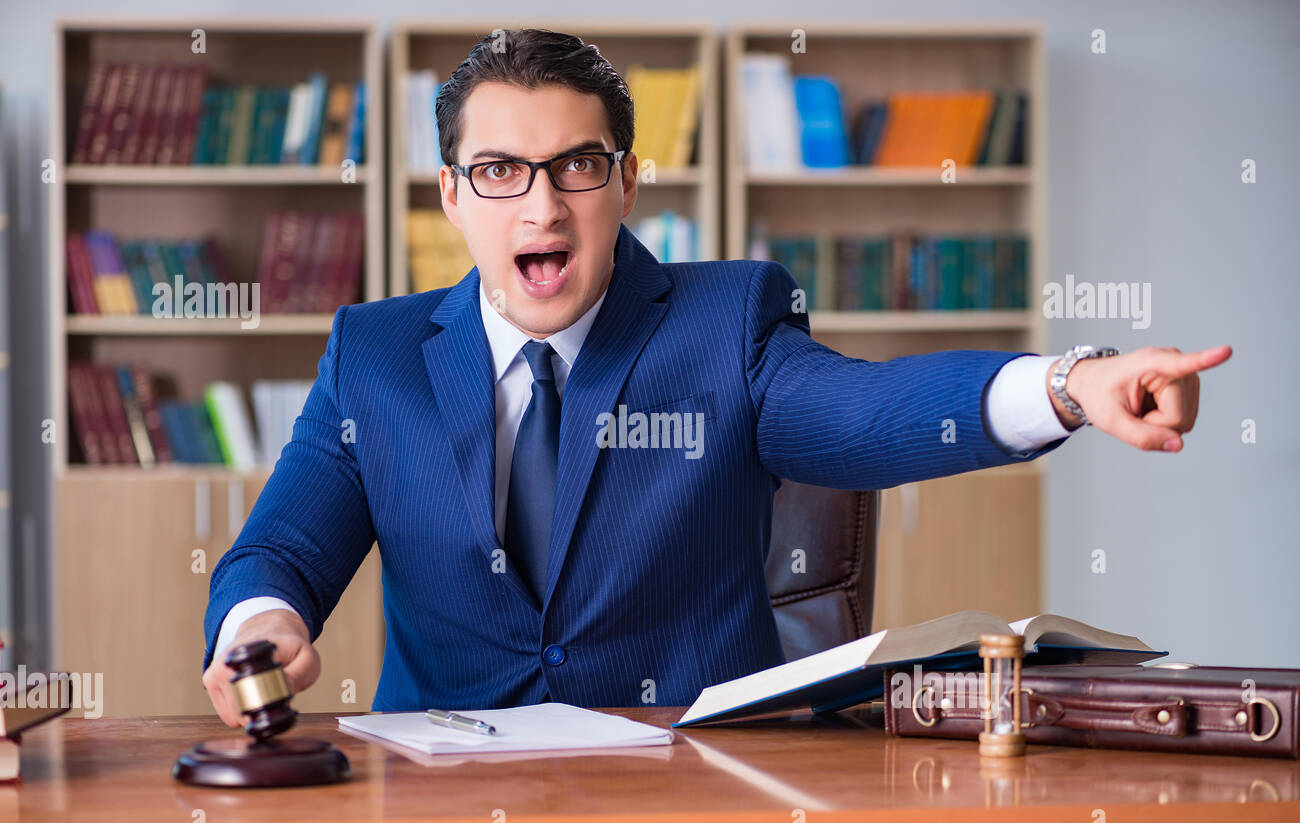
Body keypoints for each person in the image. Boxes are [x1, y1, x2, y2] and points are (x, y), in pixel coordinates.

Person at [202, 29, 1231, 726]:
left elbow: (865, 414)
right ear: (451, 195)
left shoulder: (721, 321)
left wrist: (1069, 382)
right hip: (442, 806)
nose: (542, 207)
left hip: (688, 787)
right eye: (500, 170)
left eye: (579, 165)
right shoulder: (375, 356)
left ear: (628, 182)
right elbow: (282, 548)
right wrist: (263, 627)